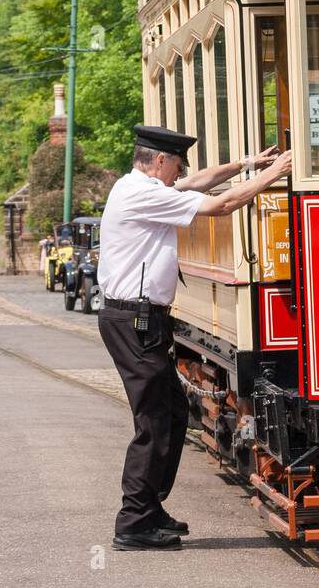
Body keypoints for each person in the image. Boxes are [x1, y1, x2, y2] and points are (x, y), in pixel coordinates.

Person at [97, 125, 292, 551]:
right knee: (152, 423)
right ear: (161, 161)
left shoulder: (136, 186)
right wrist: (273, 174)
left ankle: (149, 508)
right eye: (177, 163)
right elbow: (221, 205)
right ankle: (133, 521)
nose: (180, 171)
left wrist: (246, 165)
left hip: (139, 320)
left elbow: (196, 183)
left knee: (169, 415)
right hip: (135, 322)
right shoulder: (144, 195)